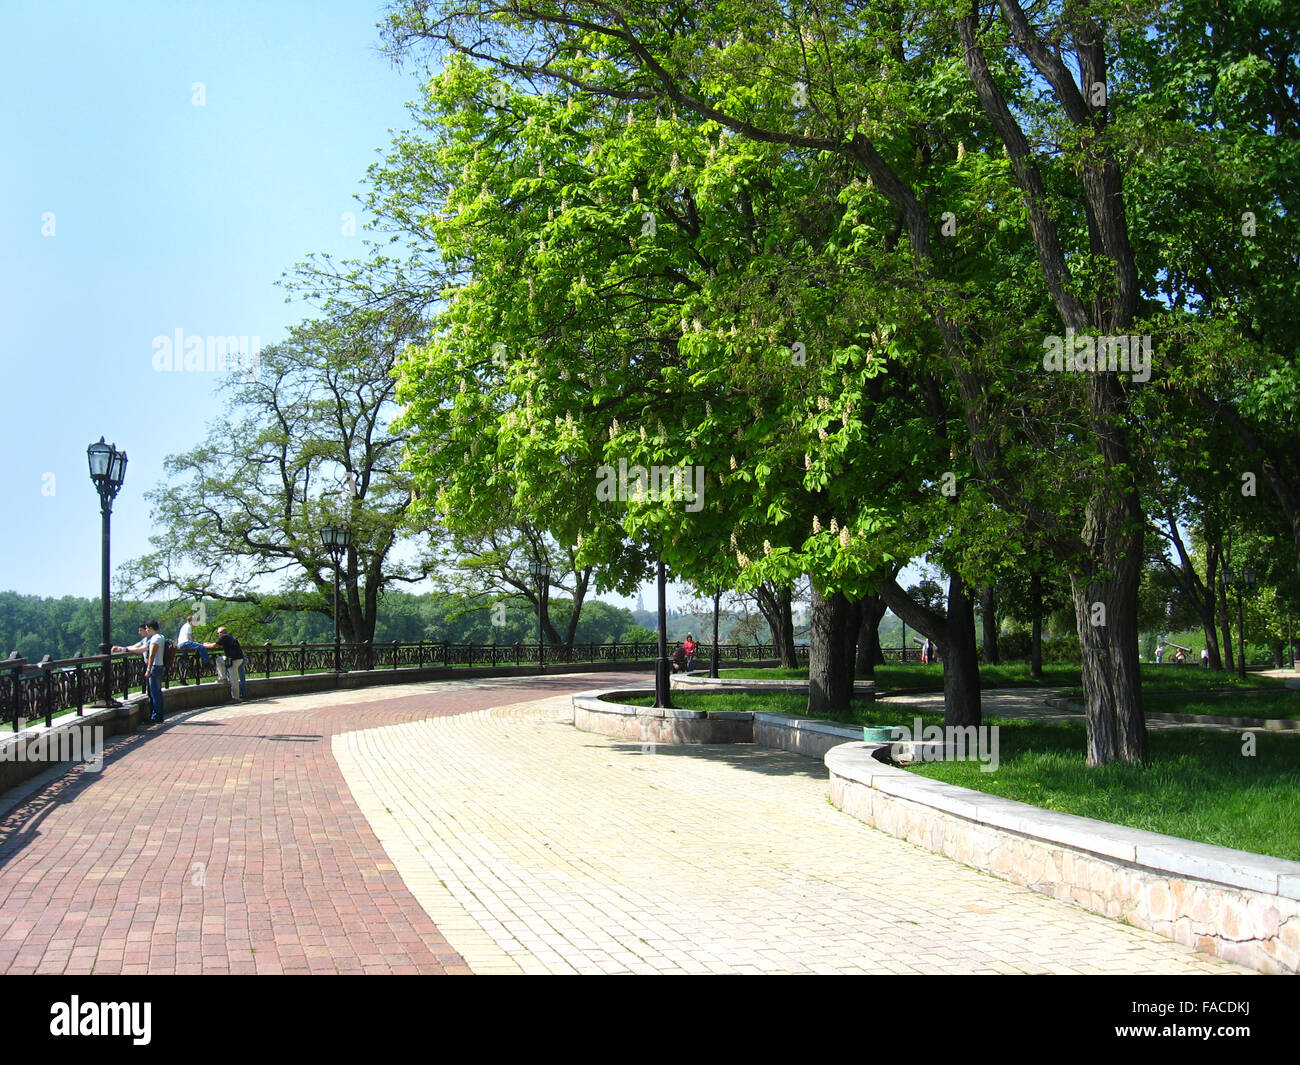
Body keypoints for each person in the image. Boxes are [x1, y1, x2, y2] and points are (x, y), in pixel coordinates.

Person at [204, 626, 246, 701]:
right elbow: (219, 645)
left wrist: (204, 645)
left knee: (234, 679)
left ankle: (236, 698)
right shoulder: (230, 636)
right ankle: (223, 678)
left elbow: (214, 646)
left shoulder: (224, 637)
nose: (218, 635)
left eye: (219, 633)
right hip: (238, 658)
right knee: (219, 660)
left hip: (234, 660)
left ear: (223, 632)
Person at [176, 614, 212, 684]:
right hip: (186, 643)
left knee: (185, 660)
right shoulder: (188, 626)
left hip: (180, 644)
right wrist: (195, 642)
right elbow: (190, 636)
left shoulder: (184, 626)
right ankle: (206, 662)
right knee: (201, 647)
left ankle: (182, 677)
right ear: (191, 621)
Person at [142, 620, 167, 723]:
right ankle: (158, 715)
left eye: (147, 628)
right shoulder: (161, 637)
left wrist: (148, 669)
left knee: (154, 693)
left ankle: (156, 716)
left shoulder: (155, 639)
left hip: (154, 667)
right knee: (157, 692)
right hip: (160, 666)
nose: (146, 630)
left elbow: (152, 655)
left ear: (151, 628)